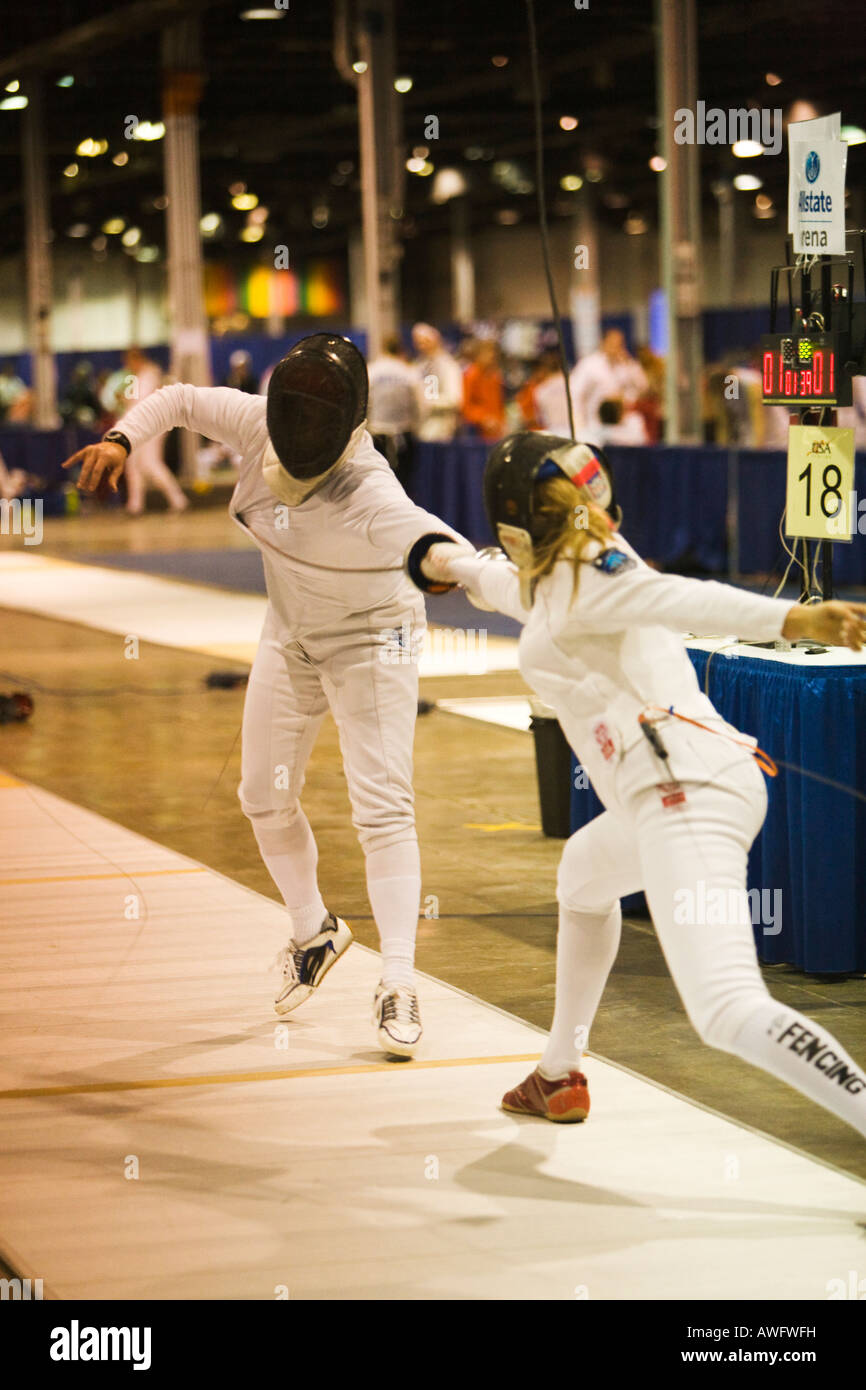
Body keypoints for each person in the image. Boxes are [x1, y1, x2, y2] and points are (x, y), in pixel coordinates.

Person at [414, 431, 866, 1137]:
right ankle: (558, 1073)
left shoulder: (599, 571)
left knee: (726, 1010)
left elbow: (675, 594)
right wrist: (431, 556)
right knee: (582, 876)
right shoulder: (558, 582)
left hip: (685, 795)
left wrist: (791, 617)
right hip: (673, 792)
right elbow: (498, 582)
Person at [62, 334, 468, 1058]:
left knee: (382, 806)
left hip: (376, 637)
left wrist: (469, 572)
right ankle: (314, 932)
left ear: (347, 429)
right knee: (261, 795)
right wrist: (123, 439)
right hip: (292, 630)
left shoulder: (370, 489)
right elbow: (181, 398)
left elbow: (438, 543)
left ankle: (399, 980)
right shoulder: (254, 421)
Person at [120, 348, 188, 515]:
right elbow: (131, 401)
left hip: (152, 425)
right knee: (133, 465)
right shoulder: (136, 377)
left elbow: (142, 403)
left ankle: (179, 500)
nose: (128, 365)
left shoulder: (150, 374)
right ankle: (135, 506)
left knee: (150, 463)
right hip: (137, 426)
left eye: (129, 361)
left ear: (136, 359)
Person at [569, 329, 647, 445]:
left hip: (619, 425)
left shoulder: (625, 366)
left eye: (619, 344)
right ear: (603, 343)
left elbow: (642, 386)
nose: (615, 347)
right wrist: (578, 424)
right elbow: (575, 394)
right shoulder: (589, 365)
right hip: (594, 425)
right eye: (612, 343)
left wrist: (628, 363)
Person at [367, 334, 418, 485]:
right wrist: (416, 425)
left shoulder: (372, 370)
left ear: (383, 348)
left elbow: (365, 403)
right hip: (404, 432)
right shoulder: (408, 372)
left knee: (379, 479)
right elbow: (420, 404)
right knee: (404, 481)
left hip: (377, 433)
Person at [411, 323, 463, 443]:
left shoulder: (448, 365)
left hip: (440, 431)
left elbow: (455, 398)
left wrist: (429, 402)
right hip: (420, 430)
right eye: (418, 342)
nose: (422, 346)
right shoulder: (419, 365)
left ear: (436, 340)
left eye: (426, 341)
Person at [461, 338, 506, 443]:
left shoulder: (495, 376)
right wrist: (483, 419)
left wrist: (501, 422)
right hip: (476, 432)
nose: (492, 356)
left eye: (494, 352)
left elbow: (499, 404)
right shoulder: (471, 375)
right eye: (488, 352)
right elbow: (466, 406)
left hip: (495, 432)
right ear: (478, 355)